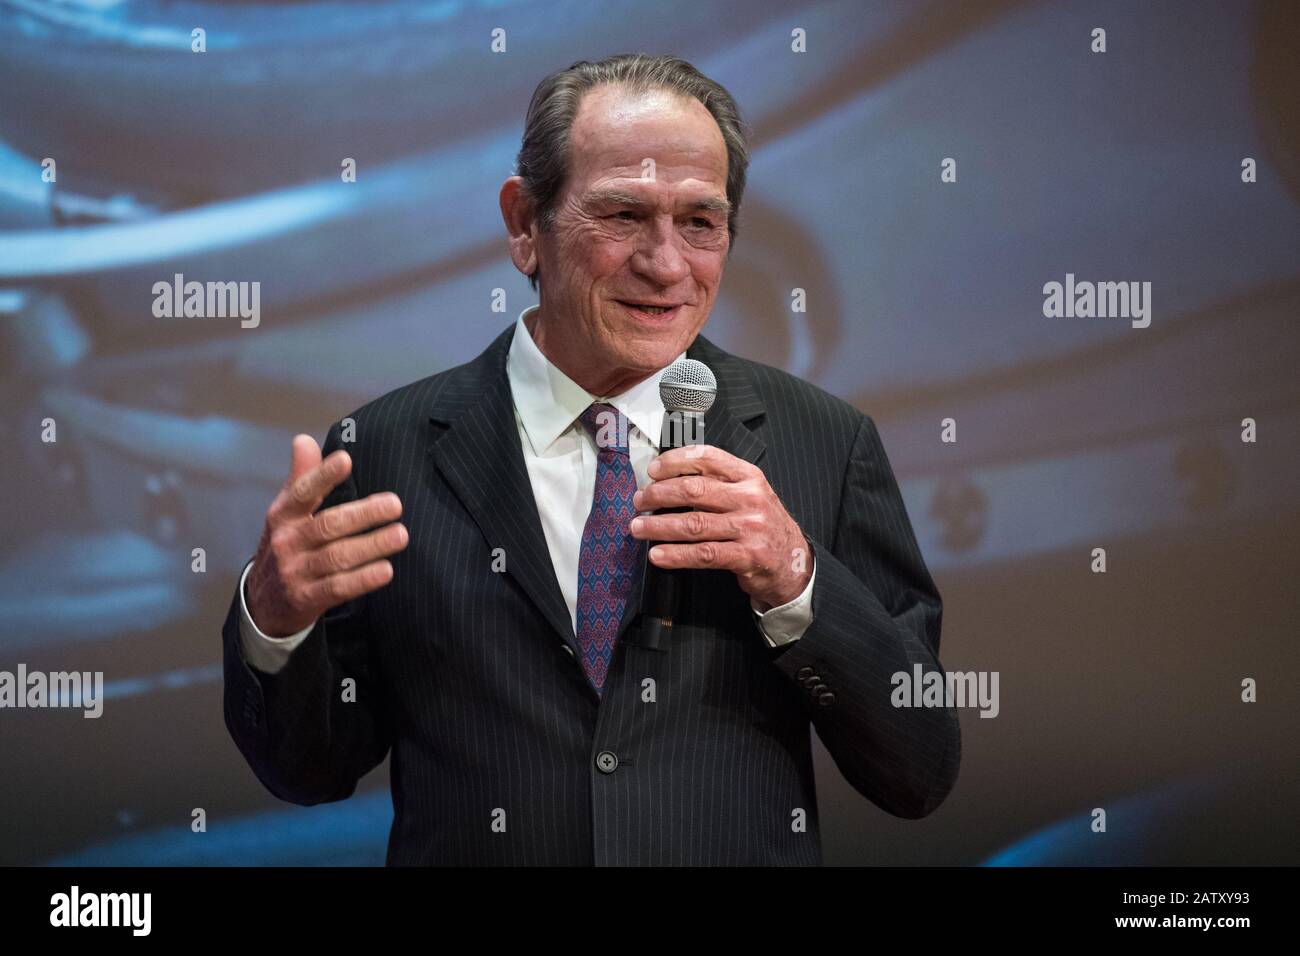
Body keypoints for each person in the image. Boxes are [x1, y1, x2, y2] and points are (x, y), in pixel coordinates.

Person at [222, 53, 959, 865]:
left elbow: (919, 771)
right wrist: (273, 621)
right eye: (622, 216)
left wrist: (796, 579)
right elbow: (307, 771)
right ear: (523, 222)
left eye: (701, 223)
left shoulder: (822, 442)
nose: (668, 264)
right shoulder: (384, 452)